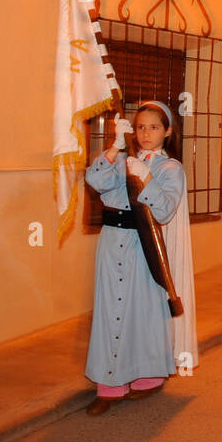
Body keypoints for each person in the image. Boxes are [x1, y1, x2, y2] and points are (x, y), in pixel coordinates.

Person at [83, 102, 190, 415]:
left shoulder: (171, 170)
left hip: (144, 244)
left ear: (167, 132)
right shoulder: (122, 161)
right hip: (112, 243)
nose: (146, 133)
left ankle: (147, 375)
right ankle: (110, 385)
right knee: (109, 309)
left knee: (141, 312)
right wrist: (114, 150)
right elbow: (96, 181)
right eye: (140, 127)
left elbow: (165, 209)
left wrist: (146, 178)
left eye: (154, 127)